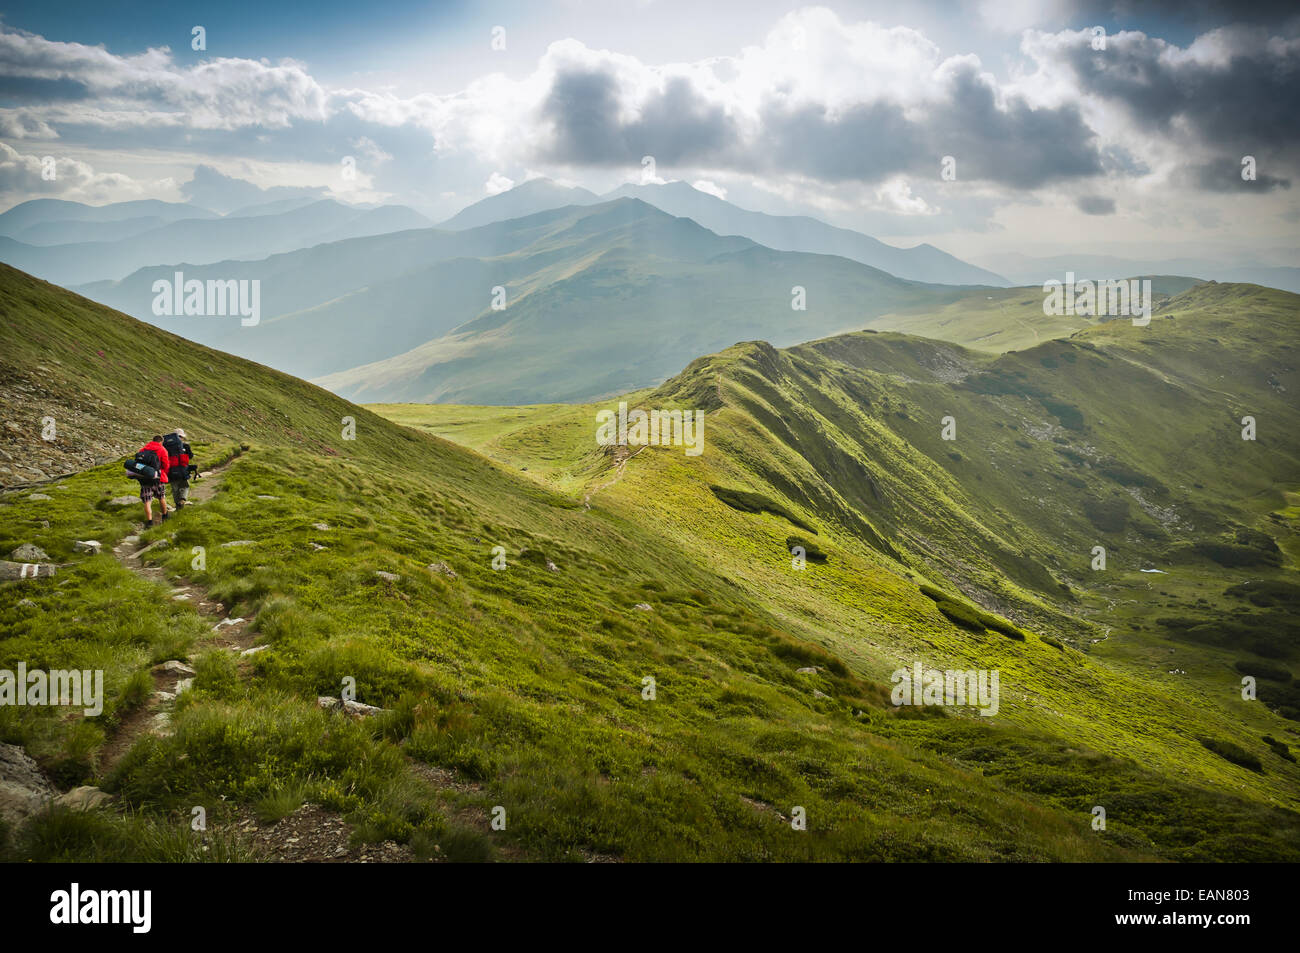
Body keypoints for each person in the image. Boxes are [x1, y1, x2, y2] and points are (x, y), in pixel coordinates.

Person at [136, 434, 170, 526]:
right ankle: (165, 516)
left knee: (147, 500)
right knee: (161, 497)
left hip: (145, 478)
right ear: (161, 441)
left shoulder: (143, 449)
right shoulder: (162, 449)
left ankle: (149, 522)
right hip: (158, 478)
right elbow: (166, 465)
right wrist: (163, 473)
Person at [163, 428, 194, 509]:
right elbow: (190, 456)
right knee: (185, 486)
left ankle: (177, 506)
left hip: (170, 470)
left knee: (175, 488)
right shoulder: (185, 445)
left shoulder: (166, 446)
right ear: (181, 436)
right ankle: (182, 499)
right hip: (182, 470)